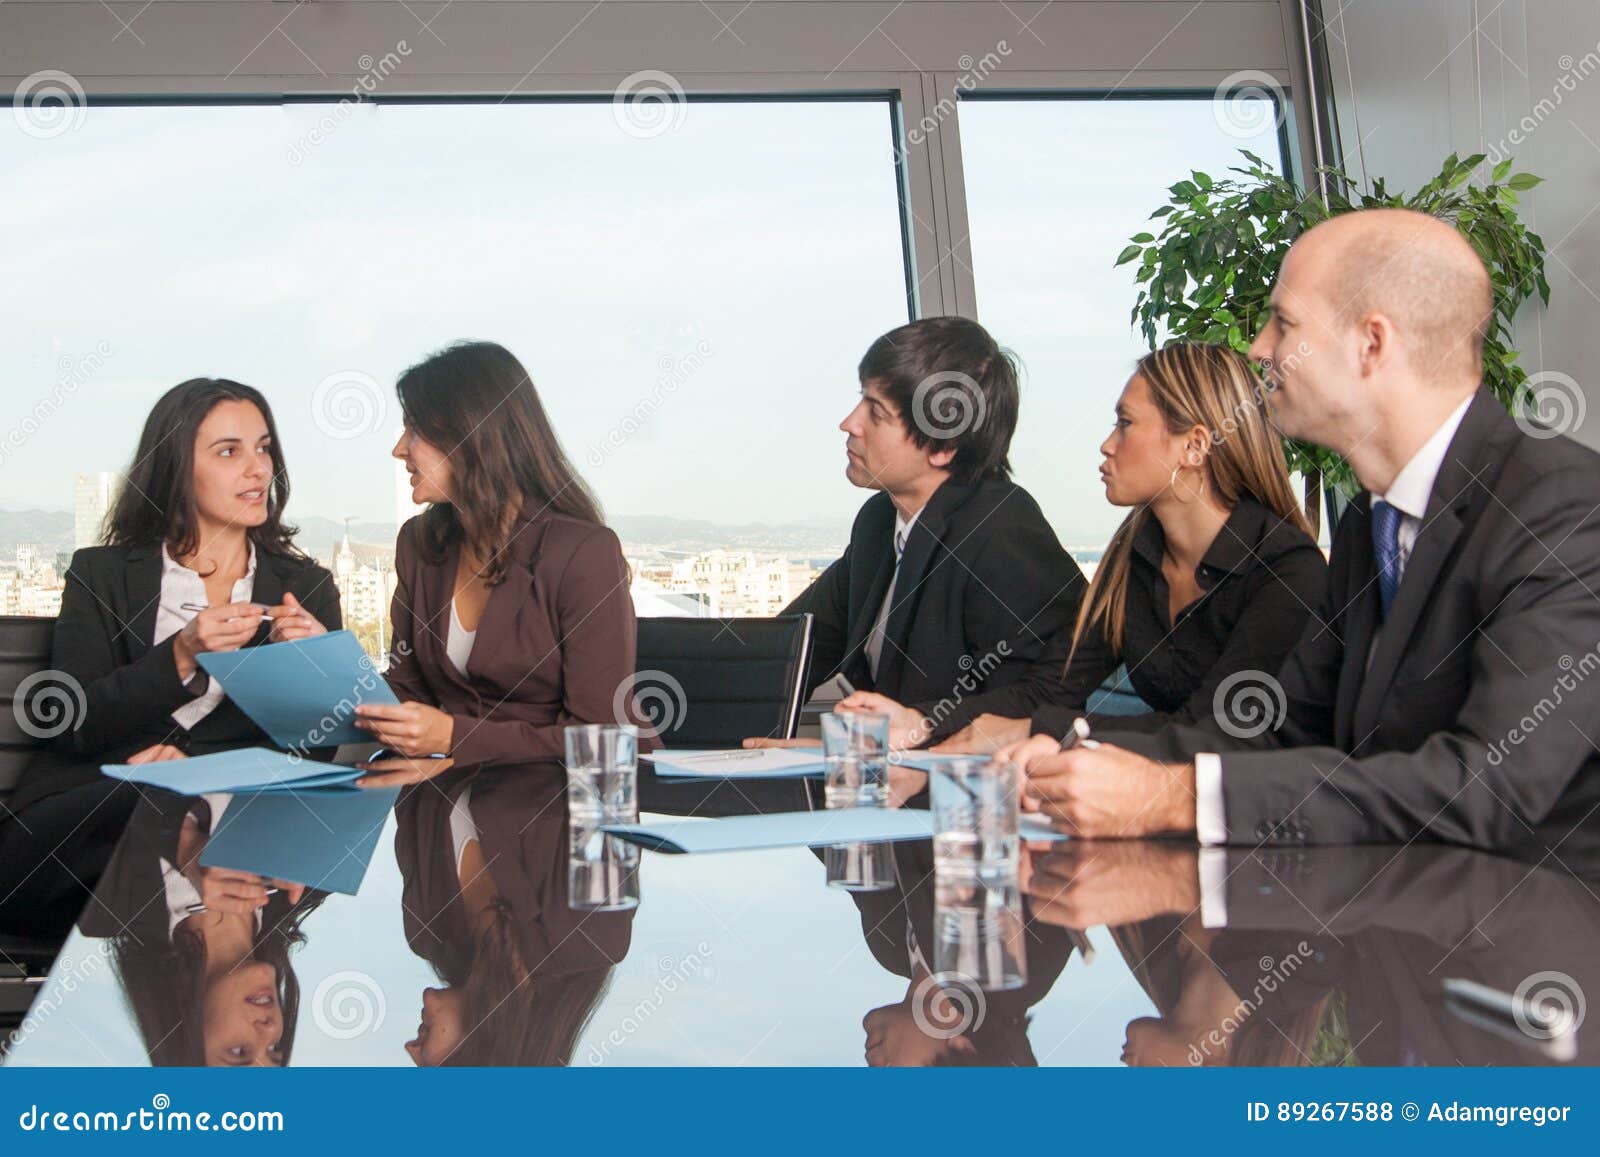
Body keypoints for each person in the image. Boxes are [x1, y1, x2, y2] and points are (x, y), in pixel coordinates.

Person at [1006, 207, 1600, 852]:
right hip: (1387, 897)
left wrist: (1178, 796)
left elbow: (1493, 788)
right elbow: (1281, 729)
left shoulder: (1561, 505)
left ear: (1372, 344)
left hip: (1539, 906)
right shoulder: (1368, 523)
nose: (1258, 349)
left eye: (1283, 323)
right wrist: (1078, 754)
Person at [854, 342, 1325, 753]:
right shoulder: (1135, 556)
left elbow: (1215, 733)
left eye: (1125, 424)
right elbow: (1049, 689)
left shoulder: (1287, 573)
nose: (1106, 445)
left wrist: (1043, 730)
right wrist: (922, 722)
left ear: (1194, 446)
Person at [0, 379, 339, 936]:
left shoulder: (305, 588)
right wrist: (181, 654)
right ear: (177, 469)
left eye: (264, 448)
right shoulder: (101, 574)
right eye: (229, 452)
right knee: (150, 801)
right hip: (90, 815)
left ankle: (188, 850)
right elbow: (72, 725)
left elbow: (313, 756)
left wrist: (312, 673)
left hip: (230, 822)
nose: (258, 469)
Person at [745, 317, 1085, 751]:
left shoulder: (1003, 529)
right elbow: (794, 646)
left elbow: (1040, 702)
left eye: (876, 413)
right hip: (893, 776)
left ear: (943, 447)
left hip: (977, 785)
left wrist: (889, 742)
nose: (849, 423)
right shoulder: (878, 522)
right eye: (861, 400)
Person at [354, 341, 647, 786]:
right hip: (450, 797)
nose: (399, 449)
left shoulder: (583, 552)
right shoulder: (419, 545)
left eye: (415, 430)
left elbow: (603, 737)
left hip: (566, 803)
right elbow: (408, 690)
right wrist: (322, 662)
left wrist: (455, 739)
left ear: (471, 436)